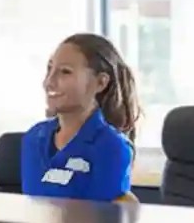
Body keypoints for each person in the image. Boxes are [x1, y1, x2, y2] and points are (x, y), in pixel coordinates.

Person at [21, 33, 141, 202]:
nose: (49, 82)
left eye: (65, 72)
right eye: (50, 69)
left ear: (100, 83)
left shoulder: (111, 146)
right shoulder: (33, 138)